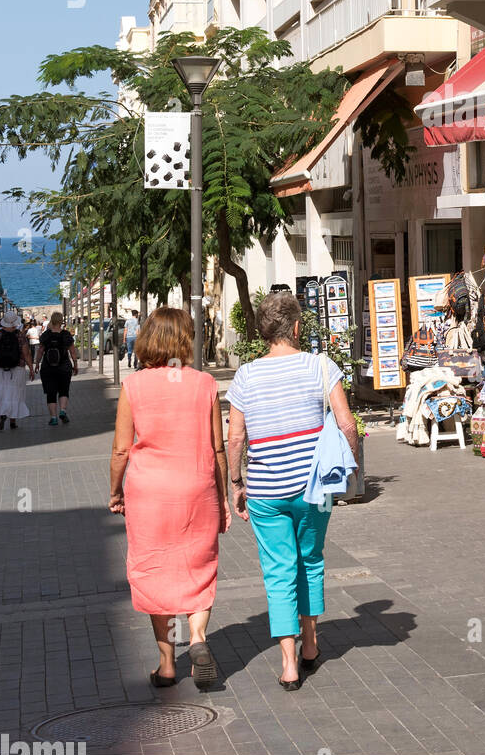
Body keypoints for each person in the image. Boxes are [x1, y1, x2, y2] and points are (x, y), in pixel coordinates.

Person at [226, 292, 358, 691]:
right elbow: (348, 424)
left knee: (278, 570)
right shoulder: (320, 365)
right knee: (311, 560)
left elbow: (235, 439)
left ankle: (287, 664)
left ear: (263, 331)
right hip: (313, 487)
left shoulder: (245, 376)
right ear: (297, 328)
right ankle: (312, 644)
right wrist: (348, 469)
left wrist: (236, 483)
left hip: (266, 491)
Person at [109, 307, 228, 692]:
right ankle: (196, 638)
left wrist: (115, 491)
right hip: (197, 489)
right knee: (199, 566)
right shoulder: (205, 384)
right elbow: (218, 448)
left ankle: (166, 666)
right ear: (185, 340)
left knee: (154, 570)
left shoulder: (134, 386)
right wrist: (223, 498)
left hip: (149, 495)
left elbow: (121, 450)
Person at [0, 310, 32, 431]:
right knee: (15, 393)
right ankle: (13, 421)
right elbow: (26, 353)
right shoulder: (20, 335)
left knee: (2, 392)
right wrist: (32, 368)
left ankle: (2, 415)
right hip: (17, 367)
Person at [38, 311, 77, 426]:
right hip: (64, 367)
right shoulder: (66, 334)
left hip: (48, 368)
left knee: (51, 393)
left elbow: (40, 350)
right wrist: (75, 364)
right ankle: (63, 411)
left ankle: (53, 418)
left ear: (52, 320)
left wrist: (36, 363)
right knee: (64, 390)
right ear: (61, 321)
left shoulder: (46, 335)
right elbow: (73, 351)